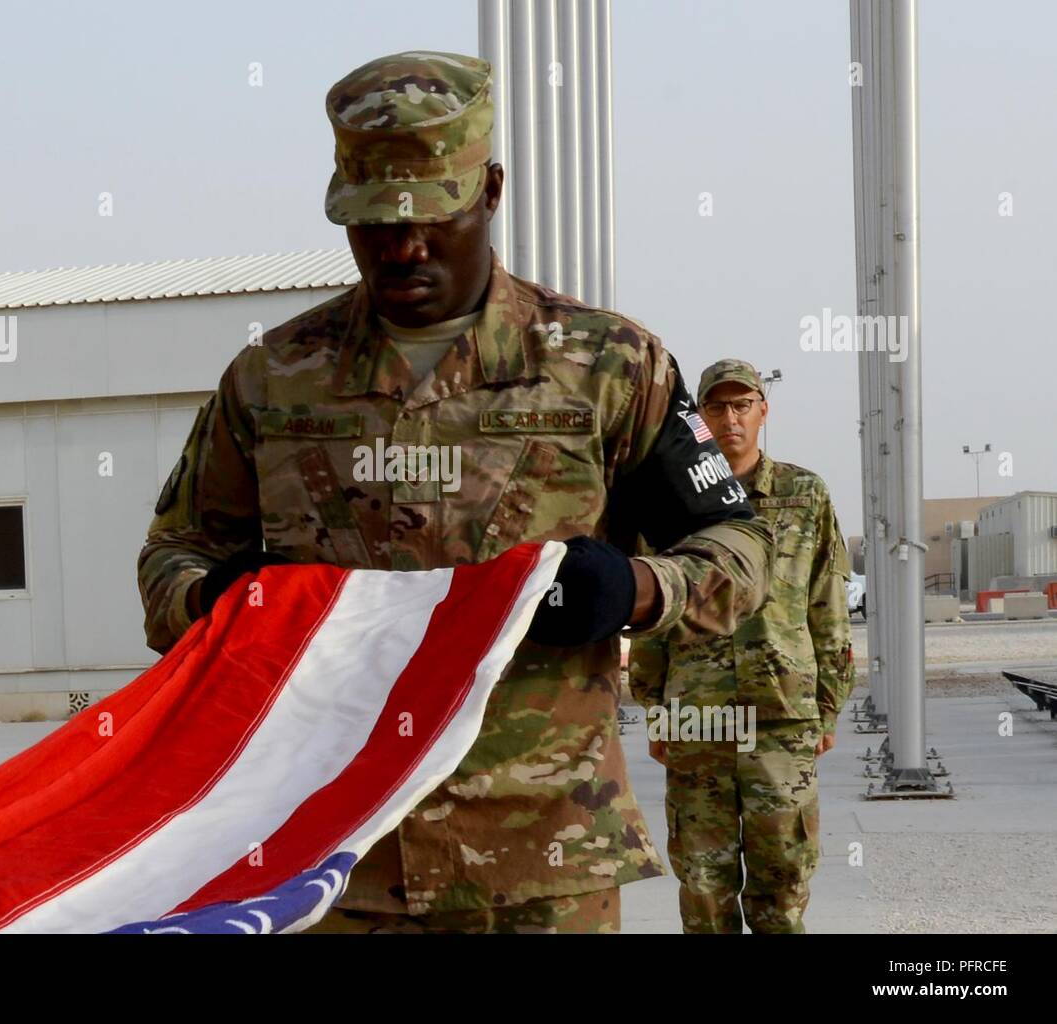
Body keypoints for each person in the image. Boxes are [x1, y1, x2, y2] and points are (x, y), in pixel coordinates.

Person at [138, 51, 771, 934]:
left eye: (431, 216)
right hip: (323, 857)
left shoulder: (610, 366)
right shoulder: (273, 381)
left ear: (491, 189)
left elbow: (740, 549)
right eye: (371, 223)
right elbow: (174, 555)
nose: (402, 247)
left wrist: (632, 588)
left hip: (541, 855)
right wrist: (219, 601)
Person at [629, 358, 855, 934]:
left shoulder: (804, 494)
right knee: (704, 885)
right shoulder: (672, 499)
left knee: (784, 876)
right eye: (716, 408)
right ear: (699, 419)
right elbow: (652, 610)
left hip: (781, 713)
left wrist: (827, 705)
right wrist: (656, 710)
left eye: (742, 406)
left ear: (762, 411)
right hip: (695, 717)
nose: (730, 419)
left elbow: (826, 604)